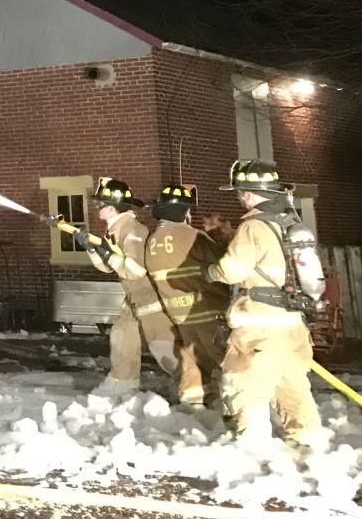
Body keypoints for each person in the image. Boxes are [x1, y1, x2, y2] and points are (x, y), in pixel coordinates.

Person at [207, 159, 330, 451]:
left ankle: (254, 447)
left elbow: (232, 270)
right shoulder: (290, 222)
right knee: (292, 386)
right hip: (292, 324)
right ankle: (307, 442)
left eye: (241, 192)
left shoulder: (253, 226)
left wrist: (210, 272)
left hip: (258, 324)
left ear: (248, 193)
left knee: (244, 384)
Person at [80, 177, 180, 398]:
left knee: (164, 349)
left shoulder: (131, 229)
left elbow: (135, 269)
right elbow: (110, 267)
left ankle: (197, 387)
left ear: (112, 207)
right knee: (122, 338)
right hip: (133, 298)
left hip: (149, 299)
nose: (98, 208)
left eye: (101, 204)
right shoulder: (116, 228)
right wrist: (93, 250)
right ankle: (123, 387)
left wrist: (106, 253)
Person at [143, 184, 229, 408]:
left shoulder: (152, 241)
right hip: (209, 311)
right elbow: (226, 265)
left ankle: (193, 407)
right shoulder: (193, 237)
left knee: (193, 364)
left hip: (180, 317)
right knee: (229, 362)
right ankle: (236, 409)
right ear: (182, 211)